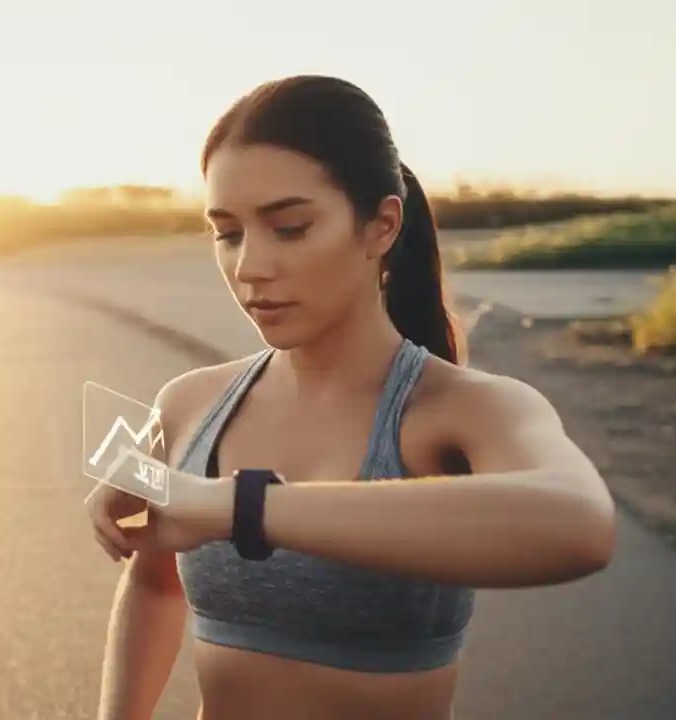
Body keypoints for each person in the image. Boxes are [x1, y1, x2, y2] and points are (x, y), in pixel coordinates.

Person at [84, 75, 617, 720]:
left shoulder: (463, 409)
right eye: (227, 234)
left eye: (289, 227)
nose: (250, 266)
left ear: (380, 226)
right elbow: (154, 583)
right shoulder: (190, 403)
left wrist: (234, 506)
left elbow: (580, 526)